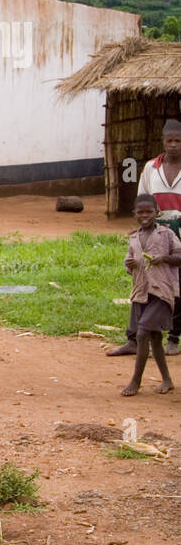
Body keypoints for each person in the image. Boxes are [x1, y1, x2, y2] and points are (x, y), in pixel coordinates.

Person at [108, 118, 181, 357]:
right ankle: (134, 338)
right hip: (156, 232)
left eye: (178, 141)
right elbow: (143, 200)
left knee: (176, 284)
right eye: (169, 140)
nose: (173, 145)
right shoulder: (151, 168)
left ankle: (173, 337)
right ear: (162, 141)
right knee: (144, 281)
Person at [121, 193, 178, 396]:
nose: (145, 215)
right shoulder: (133, 238)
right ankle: (167, 380)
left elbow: (179, 256)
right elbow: (130, 265)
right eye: (140, 212)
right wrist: (131, 265)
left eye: (149, 212)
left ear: (157, 213)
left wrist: (163, 258)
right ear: (134, 214)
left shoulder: (167, 234)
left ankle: (135, 381)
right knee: (154, 337)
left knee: (143, 332)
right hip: (141, 292)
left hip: (162, 292)